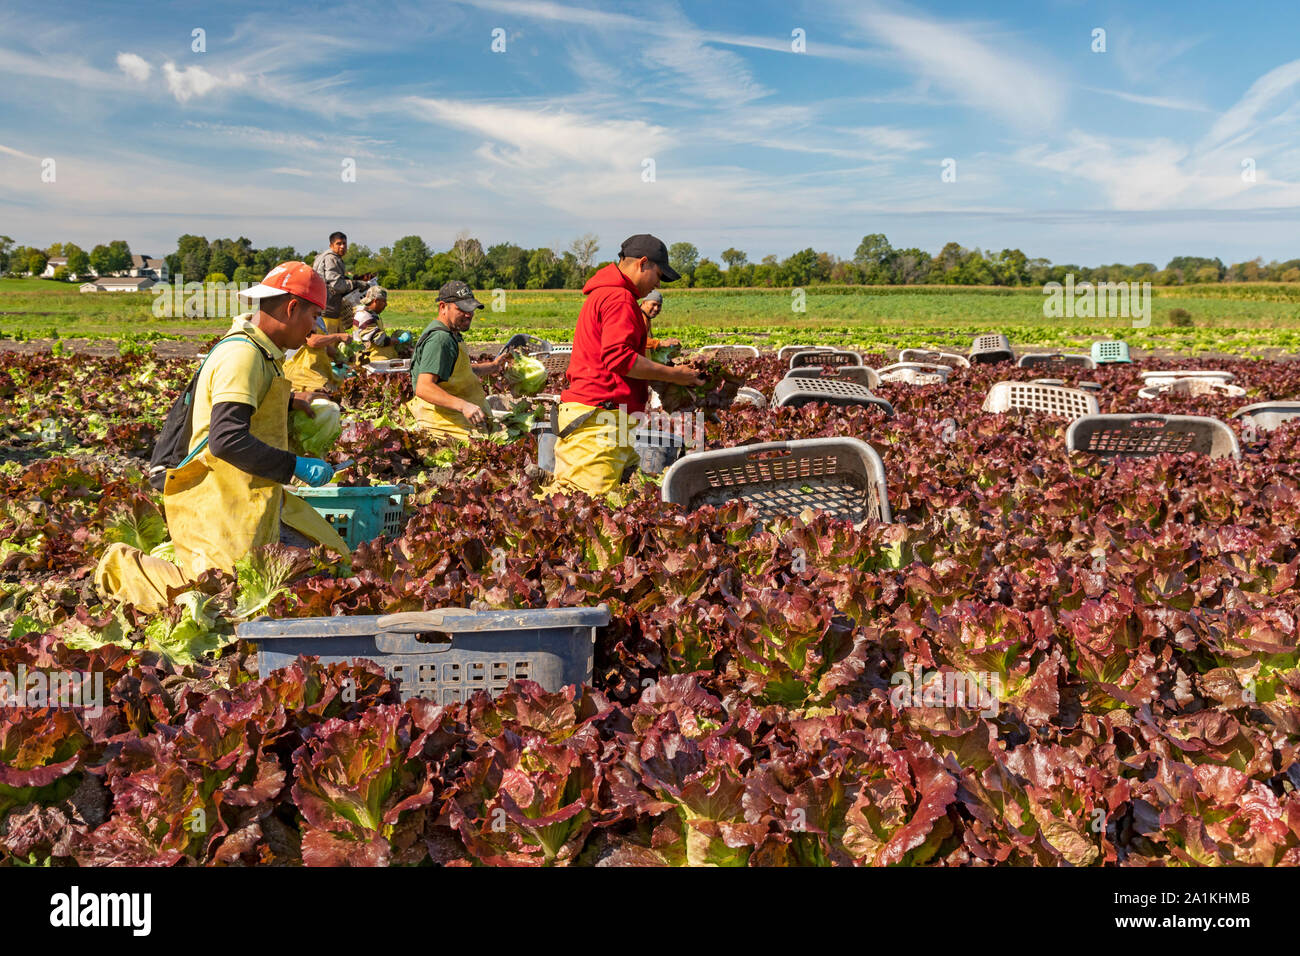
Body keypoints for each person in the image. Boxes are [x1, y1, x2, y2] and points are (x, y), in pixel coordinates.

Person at [94, 261, 351, 611]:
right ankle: (122, 566)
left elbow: (242, 404)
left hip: (250, 492)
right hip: (218, 500)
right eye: (314, 315)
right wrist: (296, 466)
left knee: (328, 564)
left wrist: (291, 402)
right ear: (292, 307)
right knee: (230, 599)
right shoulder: (242, 355)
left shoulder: (262, 352)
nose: (315, 326)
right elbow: (227, 439)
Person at [544, 234, 702, 497]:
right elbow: (620, 359)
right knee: (583, 508)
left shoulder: (608, 293)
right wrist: (675, 376)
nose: (657, 285)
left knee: (605, 501)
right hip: (597, 420)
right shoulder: (619, 298)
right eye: (659, 276)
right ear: (643, 263)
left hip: (605, 418)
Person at [406, 280, 509, 441]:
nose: (469, 314)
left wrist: (493, 366)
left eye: (471, 308)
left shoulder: (452, 333)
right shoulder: (440, 340)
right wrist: (464, 406)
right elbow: (424, 387)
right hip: (443, 424)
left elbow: (459, 372)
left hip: (457, 417)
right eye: (462, 309)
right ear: (443, 307)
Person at [313, 231, 371, 333]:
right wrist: (356, 284)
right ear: (331, 245)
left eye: (344, 243)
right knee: (330, 343)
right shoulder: (331, 258)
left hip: (327, 308)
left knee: (338, 341)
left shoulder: (328, 257)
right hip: (327, 310)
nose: (342, 246)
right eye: (338, 244)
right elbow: (336, 285)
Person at [351, 286, 411, 362]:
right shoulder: (366, 316)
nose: (386, 304)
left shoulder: (370, 314)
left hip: (377, 359)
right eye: (384, 301)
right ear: (376, 301)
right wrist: (400, 340)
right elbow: (380, 341)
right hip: (372, 360)